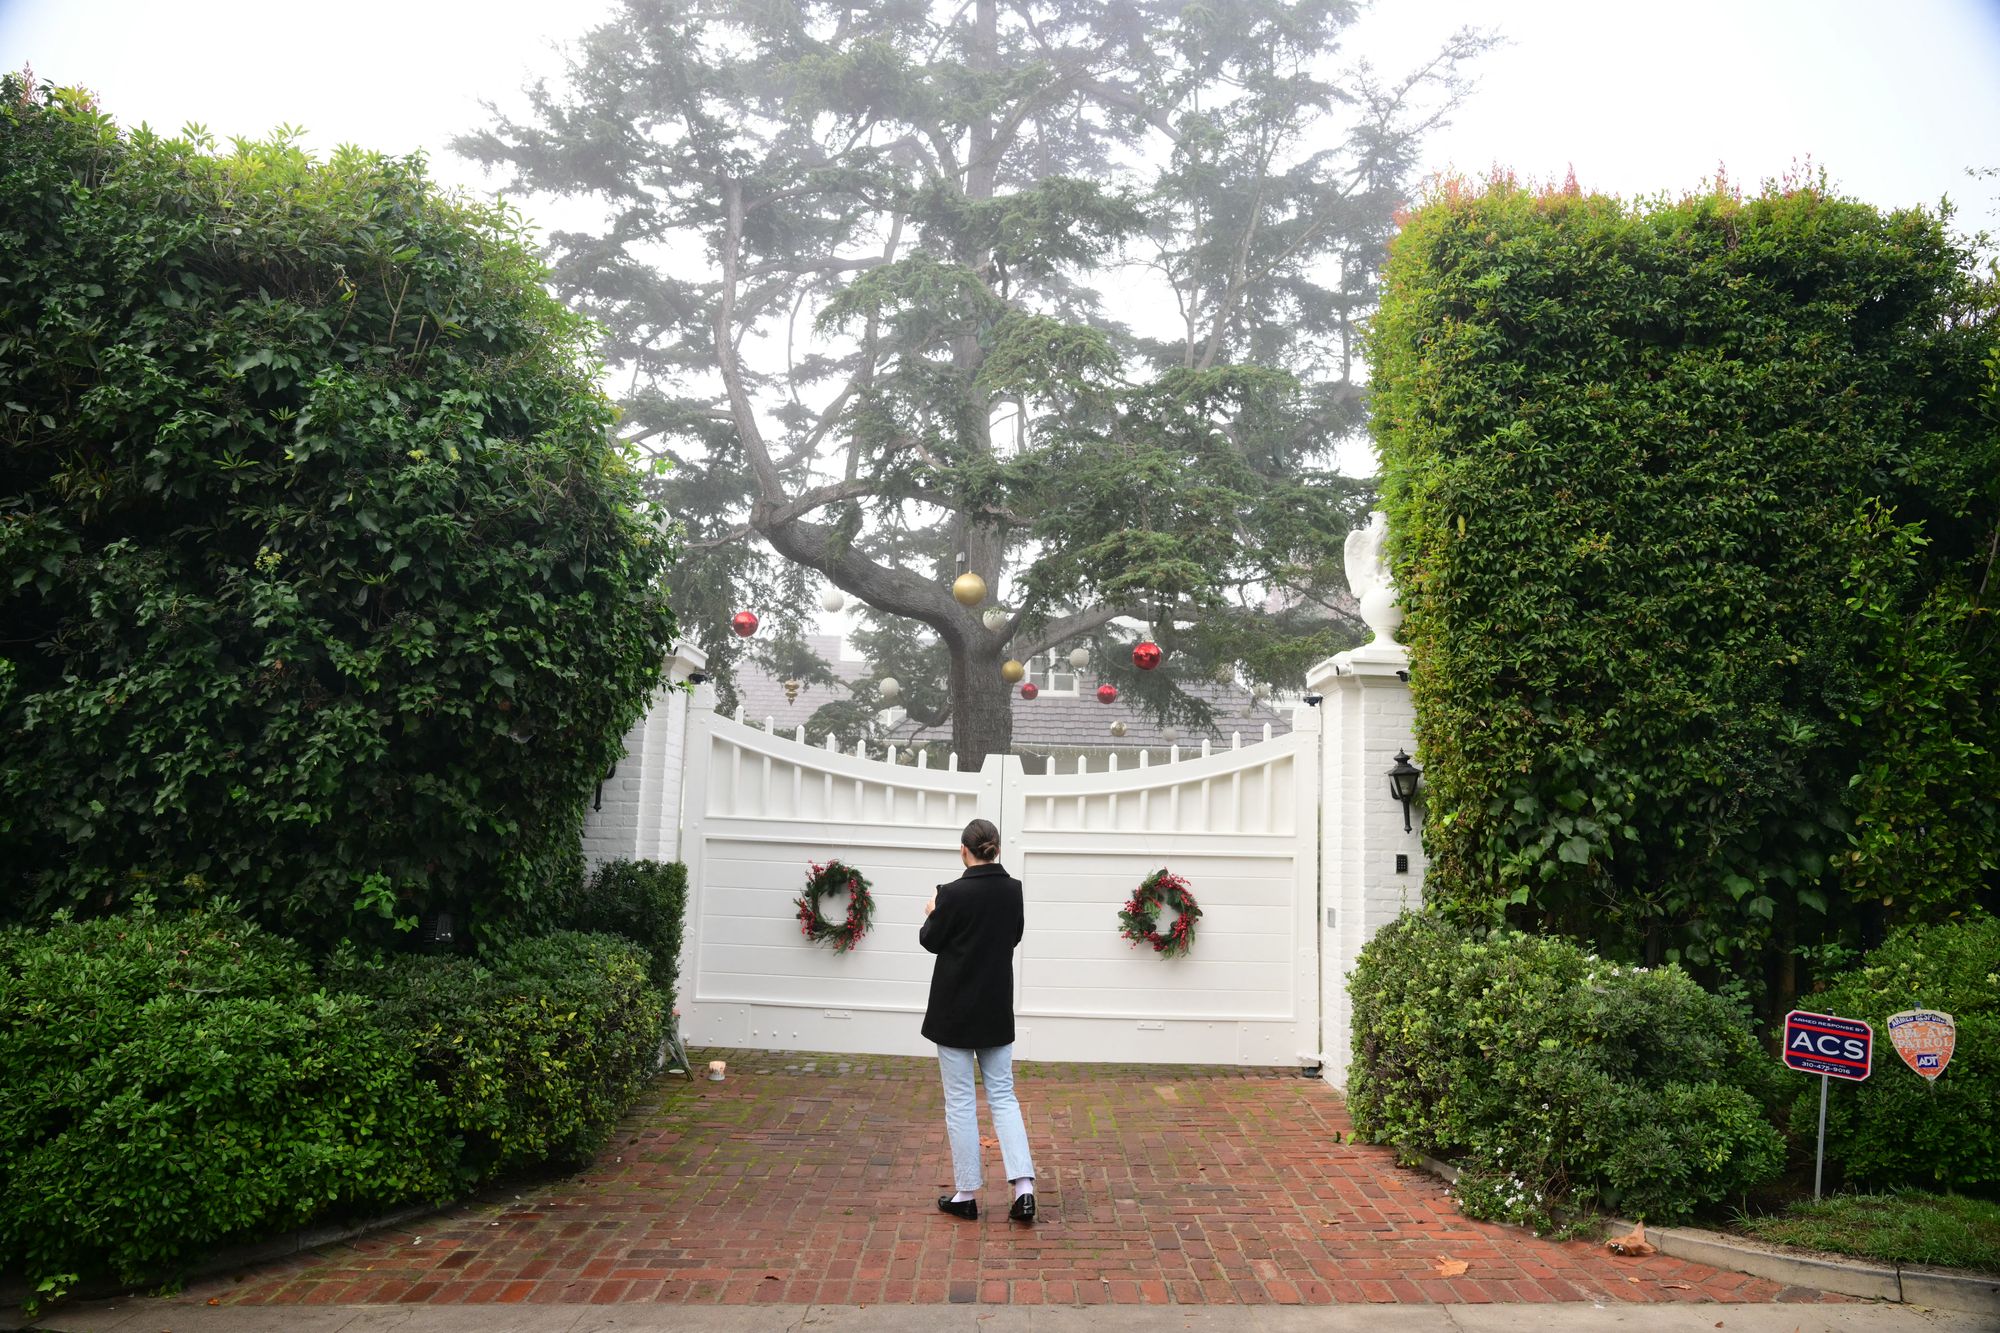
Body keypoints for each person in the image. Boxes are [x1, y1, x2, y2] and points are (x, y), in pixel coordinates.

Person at [920, 817, 1036, 1223]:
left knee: (960, 1102)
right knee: (1003, 1096)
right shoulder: (1013, 890)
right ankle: (1024, 1190)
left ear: (963, 851)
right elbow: (1013, 937)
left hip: (954, 1011)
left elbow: (930, 940)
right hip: (994, 1007)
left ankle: (966, 1194)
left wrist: (933, 912)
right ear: (997, 849)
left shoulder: (950, 894)